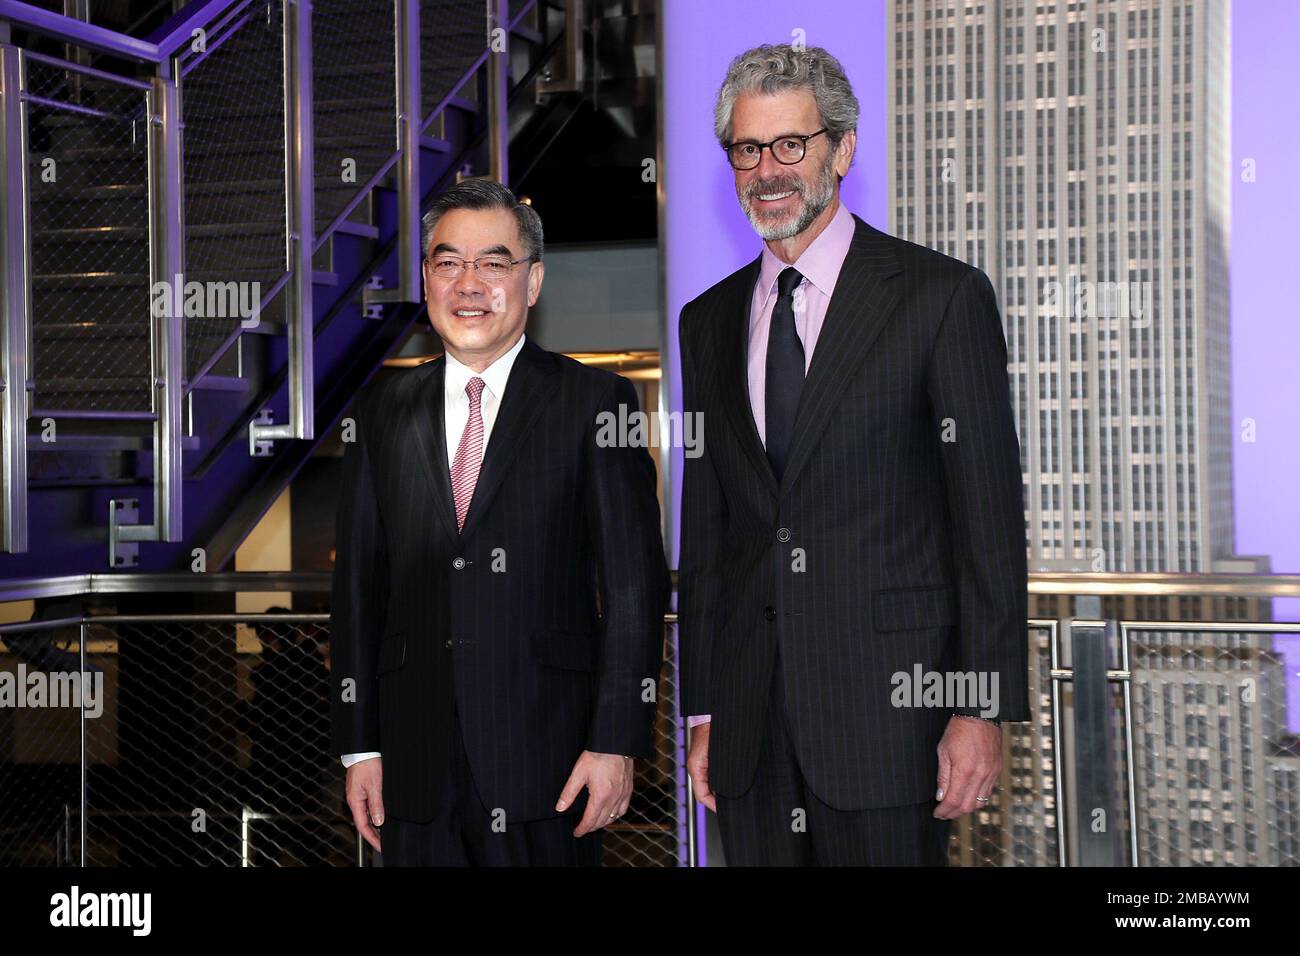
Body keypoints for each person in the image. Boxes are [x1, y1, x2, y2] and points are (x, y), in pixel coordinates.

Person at [678, 44, 1029, 866]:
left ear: (842, 149)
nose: (768, 170)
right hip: (751, 732)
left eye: (790, 144)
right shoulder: (707, 320)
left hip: (895, 720)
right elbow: (708, 533)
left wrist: (979, 707)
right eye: (747, 149)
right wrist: (705, 709)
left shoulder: (940, 298)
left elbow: (987, 523)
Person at [329, 178, 669, 866]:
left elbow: (634, 587)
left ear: (532, 281)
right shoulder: (381, 411)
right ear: (427, 279)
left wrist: (615, 741)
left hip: (550, 762)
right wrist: (359, 746)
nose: (469, 283)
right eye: (448, 262)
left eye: (493, 262)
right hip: (412, 768)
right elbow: (358, 589)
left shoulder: (595, 402)